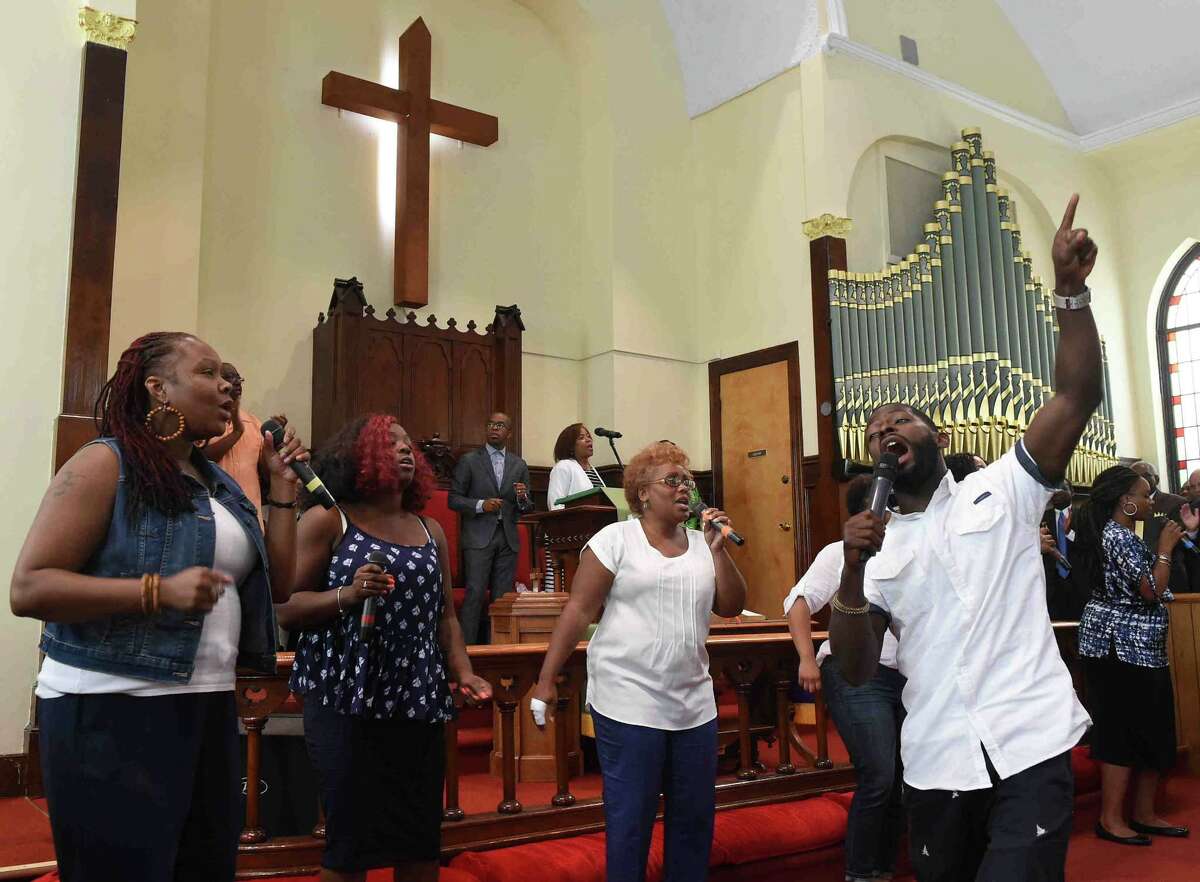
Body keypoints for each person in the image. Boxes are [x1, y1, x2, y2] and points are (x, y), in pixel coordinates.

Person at [831, 194, 1100, 881]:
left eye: (900, 421)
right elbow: (859, 670)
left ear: (938, 438)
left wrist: (1071, 298)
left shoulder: (1003, 487)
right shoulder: (876, 543)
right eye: (872, 430)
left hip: (1028, 741)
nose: (885, 430)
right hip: (939, 756)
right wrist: (854, 571)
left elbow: (1073, 398)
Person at [10, 331, 307, 882]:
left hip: (209, 701)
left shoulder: (219, 484)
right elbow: (29, 588)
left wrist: (282, 488)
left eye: (228, 377)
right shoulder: (106, 464)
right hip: (112, 707)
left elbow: (281, 586)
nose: (226, 386)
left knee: (203, 868)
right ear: (157, 388)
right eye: (208, 373)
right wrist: (154, 590)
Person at [277, 414, 491, 882]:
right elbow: (285, 607)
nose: (404, 450)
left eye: (407, 445)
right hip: (346, 691)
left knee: (418, 838)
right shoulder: (329, 520)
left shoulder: (430, 529)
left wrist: (464, 671)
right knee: (349, 842)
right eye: (389, 443)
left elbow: (446, 616)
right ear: (360, 457)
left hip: (417, 695)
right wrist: (347, 596)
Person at [528, 442, 747, 881]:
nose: (684, 488)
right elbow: (578, 610)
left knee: (693, 823)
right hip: (628, 700)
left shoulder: (704, 544)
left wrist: (720, 550)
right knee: (631, 823)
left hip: (693, 704)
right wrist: (546, 680)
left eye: (688, 481)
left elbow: (732, 604)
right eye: (672, 480)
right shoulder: (615, 539)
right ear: (643, 493)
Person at [784, 474, 905, 882]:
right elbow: (798, 602)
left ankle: (884, 866)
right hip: (857, 674)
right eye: (886, 504)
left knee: (905, 776)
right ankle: (861, 872)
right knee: (879, 773)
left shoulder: (910, 545)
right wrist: (806, 658)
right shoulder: (840, 552)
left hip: (909, 675)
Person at [1073, 465, 1195, 845]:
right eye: (1144, 495)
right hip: (1117, 648)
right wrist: (1164, 550)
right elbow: (1151, 592)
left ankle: (1144, 814)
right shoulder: (1117, 536)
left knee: (1152, 729)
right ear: (1125, 502)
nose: (1150, 501)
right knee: (1122, 731)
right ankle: (1111, 819)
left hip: (1139, 647)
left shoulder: (1123, 534)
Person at [449, 412, 535, 642]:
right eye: (491, 424)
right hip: (478, 537)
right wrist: (481, 505)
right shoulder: (469, 461)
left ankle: (497, 649)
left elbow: (526, 507)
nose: (494, 428)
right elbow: (454, 499)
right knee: (475, 594)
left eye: (500, 425)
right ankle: (467, 651)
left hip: (507, 538)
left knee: (502, 598)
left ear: (509, 432)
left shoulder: (519, 465)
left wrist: (522, 498)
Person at [201, 362, 282, 529]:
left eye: (239, 378)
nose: (236, 382)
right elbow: (201, 459)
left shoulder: (253, 423)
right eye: (230, 377)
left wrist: (272, 445)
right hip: (217, 520)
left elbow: (266, 474)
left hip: (251, 520)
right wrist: (236, 433)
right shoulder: (205, 420)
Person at [1041, 481, 1087, 620]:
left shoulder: (1084, 516)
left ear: (1072, 492)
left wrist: (1069, 533)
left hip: (1079, 583)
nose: (1057, 492)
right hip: (1050, 584)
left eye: (1062, 488)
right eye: (1053, 489)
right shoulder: (1041, 517)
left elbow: (1090, 545)